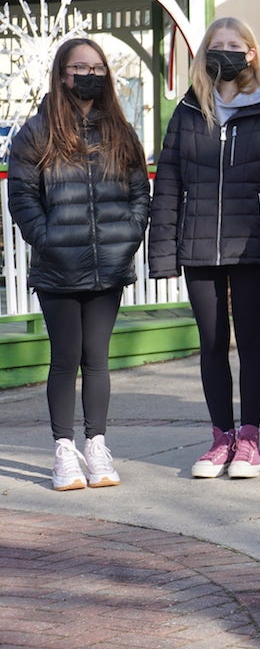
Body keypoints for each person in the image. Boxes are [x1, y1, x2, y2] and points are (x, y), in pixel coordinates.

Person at [7, 37, 150, 490]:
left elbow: (139, 192)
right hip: (58, 267)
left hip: (109, 264)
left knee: (98, 359)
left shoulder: (120, 131)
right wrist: (46, 239)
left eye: (98, 68)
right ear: (62, 74)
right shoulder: (38, 131)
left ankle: (97, 445)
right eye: (80, 68)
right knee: (66, 358)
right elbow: (21, 195)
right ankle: (64, 451)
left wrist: (128, 235)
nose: (90, 75)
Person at [149, 17, 260, 480]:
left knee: (250, 339)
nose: (224, 51)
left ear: (251, 53)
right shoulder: (189, 109)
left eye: (234, 44)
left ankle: (249, 438)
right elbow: (168, 183)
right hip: (198, 245)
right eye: (217, 44)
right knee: (211, 343)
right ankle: (220, 437)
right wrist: (163, 253)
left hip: (250, 245)